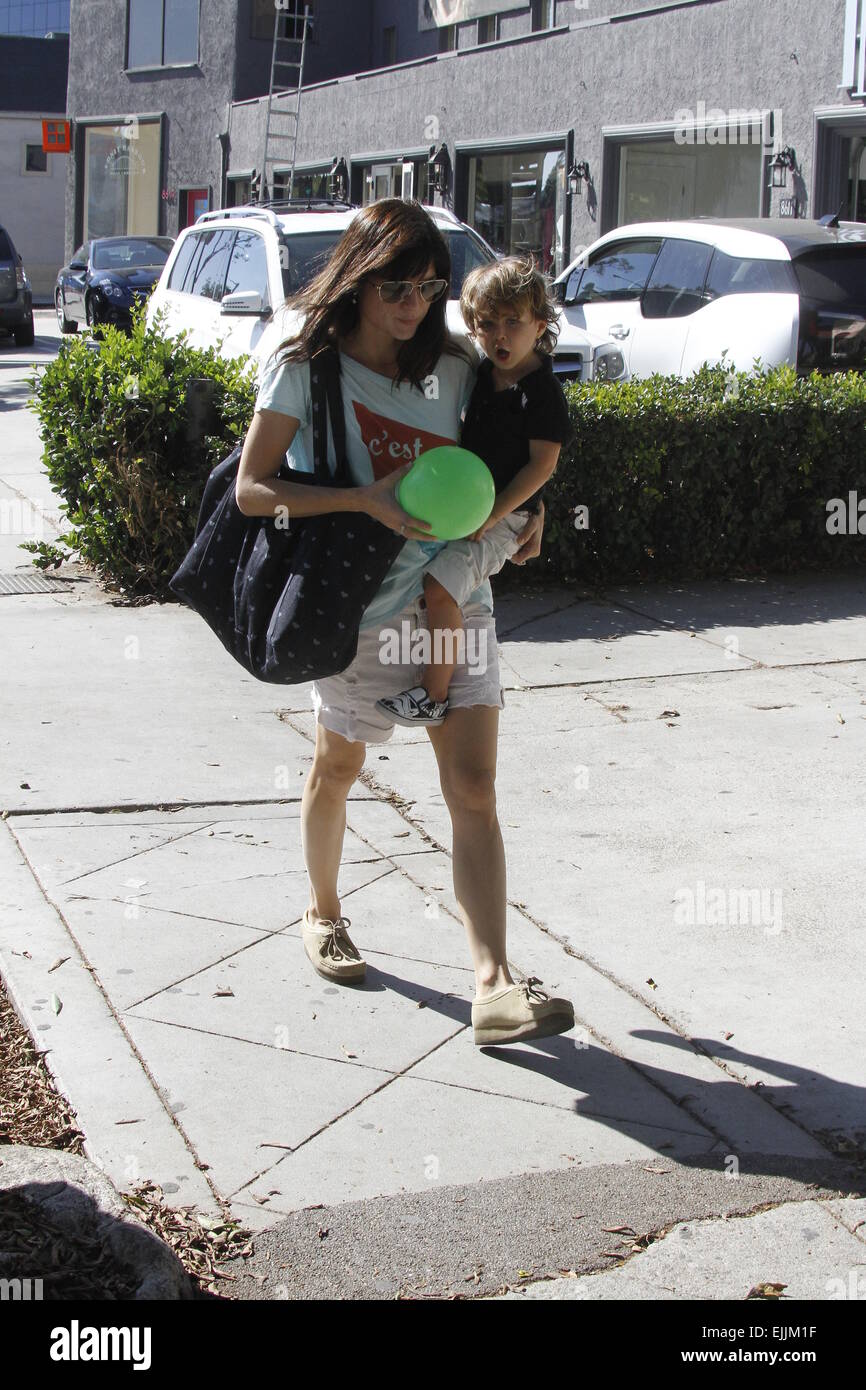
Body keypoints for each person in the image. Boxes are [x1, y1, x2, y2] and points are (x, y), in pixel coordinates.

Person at [235, 199, 574, 1047]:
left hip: (455, 603)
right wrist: (364, 499)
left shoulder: (456, 365)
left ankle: (493, 984)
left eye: (428, 286)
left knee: (473, 789)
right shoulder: (304, 367)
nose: (414, 302)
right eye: (397, 284)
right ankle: (321, 911)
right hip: (359, 608)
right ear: (359, 275)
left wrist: (525, 515)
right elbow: (252, 489)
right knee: (339, 764)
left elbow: (504, 454)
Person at [376, 255, 572, 727]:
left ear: (540, 325)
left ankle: (434, 694)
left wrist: (492, 515)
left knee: (439, 588)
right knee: (443, 587)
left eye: (513, 322)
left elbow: (541, 466)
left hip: (503, 517)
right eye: (486, 324)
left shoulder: (542, 393)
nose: (500, 336)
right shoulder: (483, 374)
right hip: (472, 508)